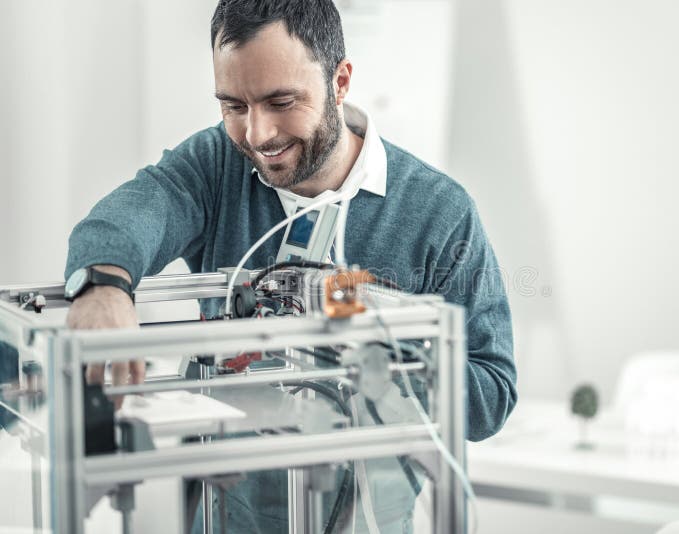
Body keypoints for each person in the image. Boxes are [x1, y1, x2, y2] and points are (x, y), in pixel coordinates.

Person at [65, 0, 517, 531]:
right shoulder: (218, 165)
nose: (257, 135)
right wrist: (103, 282)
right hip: (227, 518)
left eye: (281, 101)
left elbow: (491, 393)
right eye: (234, 106)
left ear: (339, 81)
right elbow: (133, 213)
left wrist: (386, 350)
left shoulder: (438, 212)